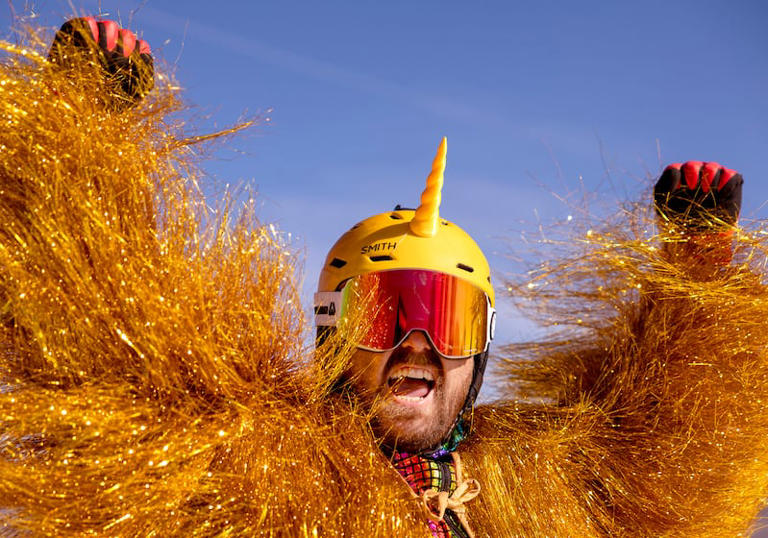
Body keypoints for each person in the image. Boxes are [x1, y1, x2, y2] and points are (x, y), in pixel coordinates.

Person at [2, 15, 768, 537]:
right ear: (332, 337)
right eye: (385, 312)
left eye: (449, 317)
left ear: (484, 346)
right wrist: (82, 138)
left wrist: (699, 265)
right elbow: (100, 364)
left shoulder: (544, 475)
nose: (418, 342)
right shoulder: (257, 463)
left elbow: (671, 458)